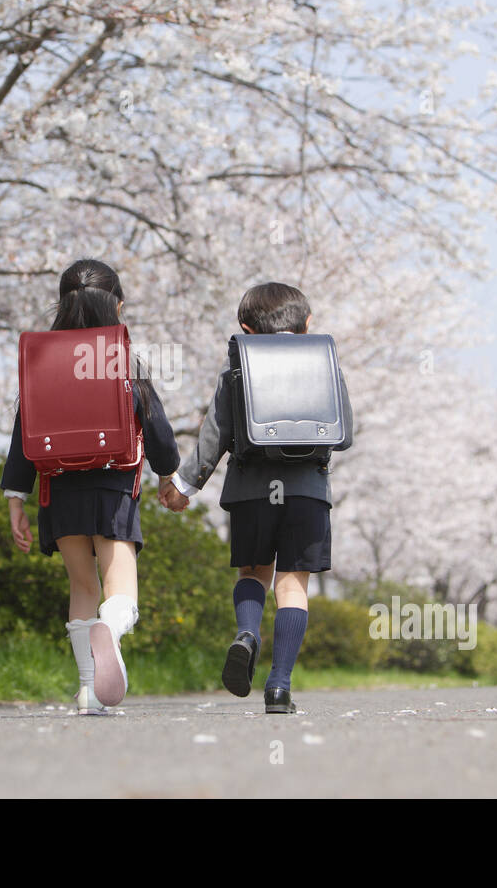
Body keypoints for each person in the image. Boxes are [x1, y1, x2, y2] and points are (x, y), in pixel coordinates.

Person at [160, 282, 349, 714]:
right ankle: (279, 686)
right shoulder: (327, 368)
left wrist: (184, 486)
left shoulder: (236, 373)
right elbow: (345, 436)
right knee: (292, 584)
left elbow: (215, 436)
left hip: (250, 492)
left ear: (245, 328)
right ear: (308, 325)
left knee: (253, 572)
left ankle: (247, 634)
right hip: (306, 493)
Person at [2, 259, 181, 715]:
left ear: (62, 306)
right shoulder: (124, 360)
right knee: (119, 584)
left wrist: (14, 500)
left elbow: (25, 432)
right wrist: (168, 473)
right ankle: (113, 629)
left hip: (59, 492)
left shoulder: (39, 363)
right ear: (117, 305)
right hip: (113, 490)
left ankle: (87, 692)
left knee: (81, 586)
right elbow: (155, 426)